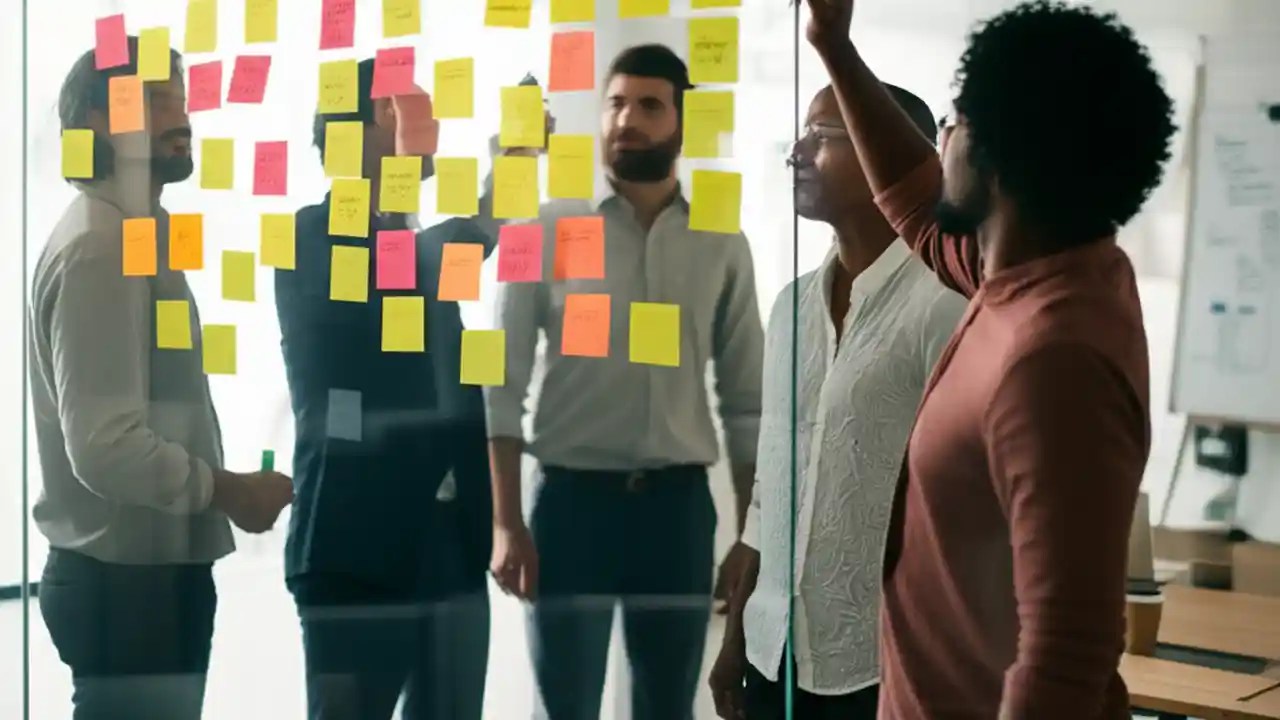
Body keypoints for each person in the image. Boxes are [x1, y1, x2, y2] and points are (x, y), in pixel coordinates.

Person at [803, 0, 1176, 717]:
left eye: (955, 119)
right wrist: (834, 47)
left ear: (1000, 151)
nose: (942, 137)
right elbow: (915, 205)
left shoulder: (1054, 359)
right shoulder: (1041, 272)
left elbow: (1067, 652)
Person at [485, 44, 765, 720]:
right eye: (614, 104)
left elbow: (747, 399)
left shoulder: (722, 242)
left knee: (669, 709)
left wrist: (749, 535)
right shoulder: (546, 228)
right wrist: (504, 523)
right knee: (565, 709)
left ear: (680, 122)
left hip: (675, 514)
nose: (625, 121)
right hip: (568, 509)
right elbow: (499, 384)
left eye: (647, 105)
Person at [30, 38, 294, 720]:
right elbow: (107, 447)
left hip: (143, 583)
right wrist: (230, 492)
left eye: (180, 94)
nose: (179, 112)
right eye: (153, 97)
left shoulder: (137, 234)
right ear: (94, 123)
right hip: (126, 591)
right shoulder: (102, 242)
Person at [275, 57, 540, 720]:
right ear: (364, 124)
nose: (434, 119)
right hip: (355, 556)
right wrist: (504, 174)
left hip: (450, 546)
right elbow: (402, 277)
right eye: (411, 105)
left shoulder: (415, 244)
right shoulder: (310, 236)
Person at [708, 84, 967, 720]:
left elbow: (966, 510)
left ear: (891, 157)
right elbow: (773, 490)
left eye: (823, 138)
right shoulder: (791, 305)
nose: (796, 153)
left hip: (882, 667)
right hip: (777, 655)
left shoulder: (945, 305)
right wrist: (737, 635)